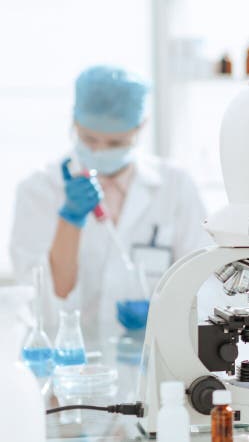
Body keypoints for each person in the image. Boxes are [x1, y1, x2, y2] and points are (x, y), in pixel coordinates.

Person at [10, 65, 210, 336]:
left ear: (140, 127)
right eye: (89, 139)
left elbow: (202, 278)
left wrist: (162, 311)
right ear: (74, 122)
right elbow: (43, 301)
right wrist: (69, 221)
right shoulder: (39, 189)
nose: (100, 151)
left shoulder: (176, 185)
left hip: (153, 354)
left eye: (115, 143)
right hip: (72, 359)